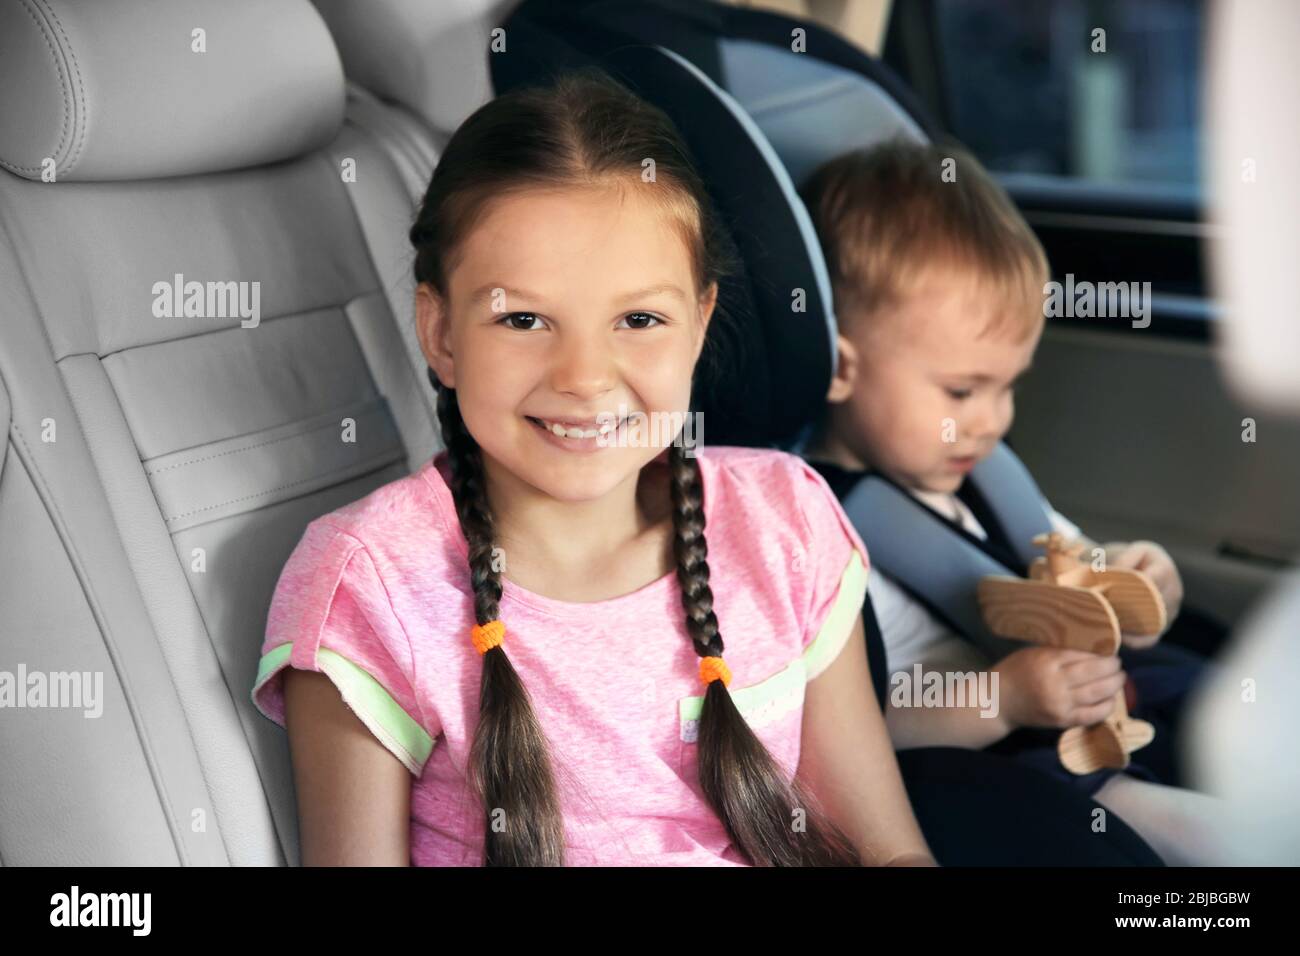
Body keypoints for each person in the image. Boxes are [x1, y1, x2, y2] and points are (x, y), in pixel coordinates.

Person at [249, 68, 934, 867]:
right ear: (439, 333)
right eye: (524, 319)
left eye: (639, 319)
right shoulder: (369, 585)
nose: (584, 375)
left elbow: (885, 851)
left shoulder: (785, 521)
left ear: (699, 323)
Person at [798, 138, 1225, 865]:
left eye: (1009, 387)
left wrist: (1127, 579)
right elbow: (858, 737)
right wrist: (1002, 699)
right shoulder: (822, 534)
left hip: (1093, 704)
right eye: (963, 391)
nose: (994, 420)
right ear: (842, 367)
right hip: (1006, 761)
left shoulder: (984, 473)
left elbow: (1070, 567)